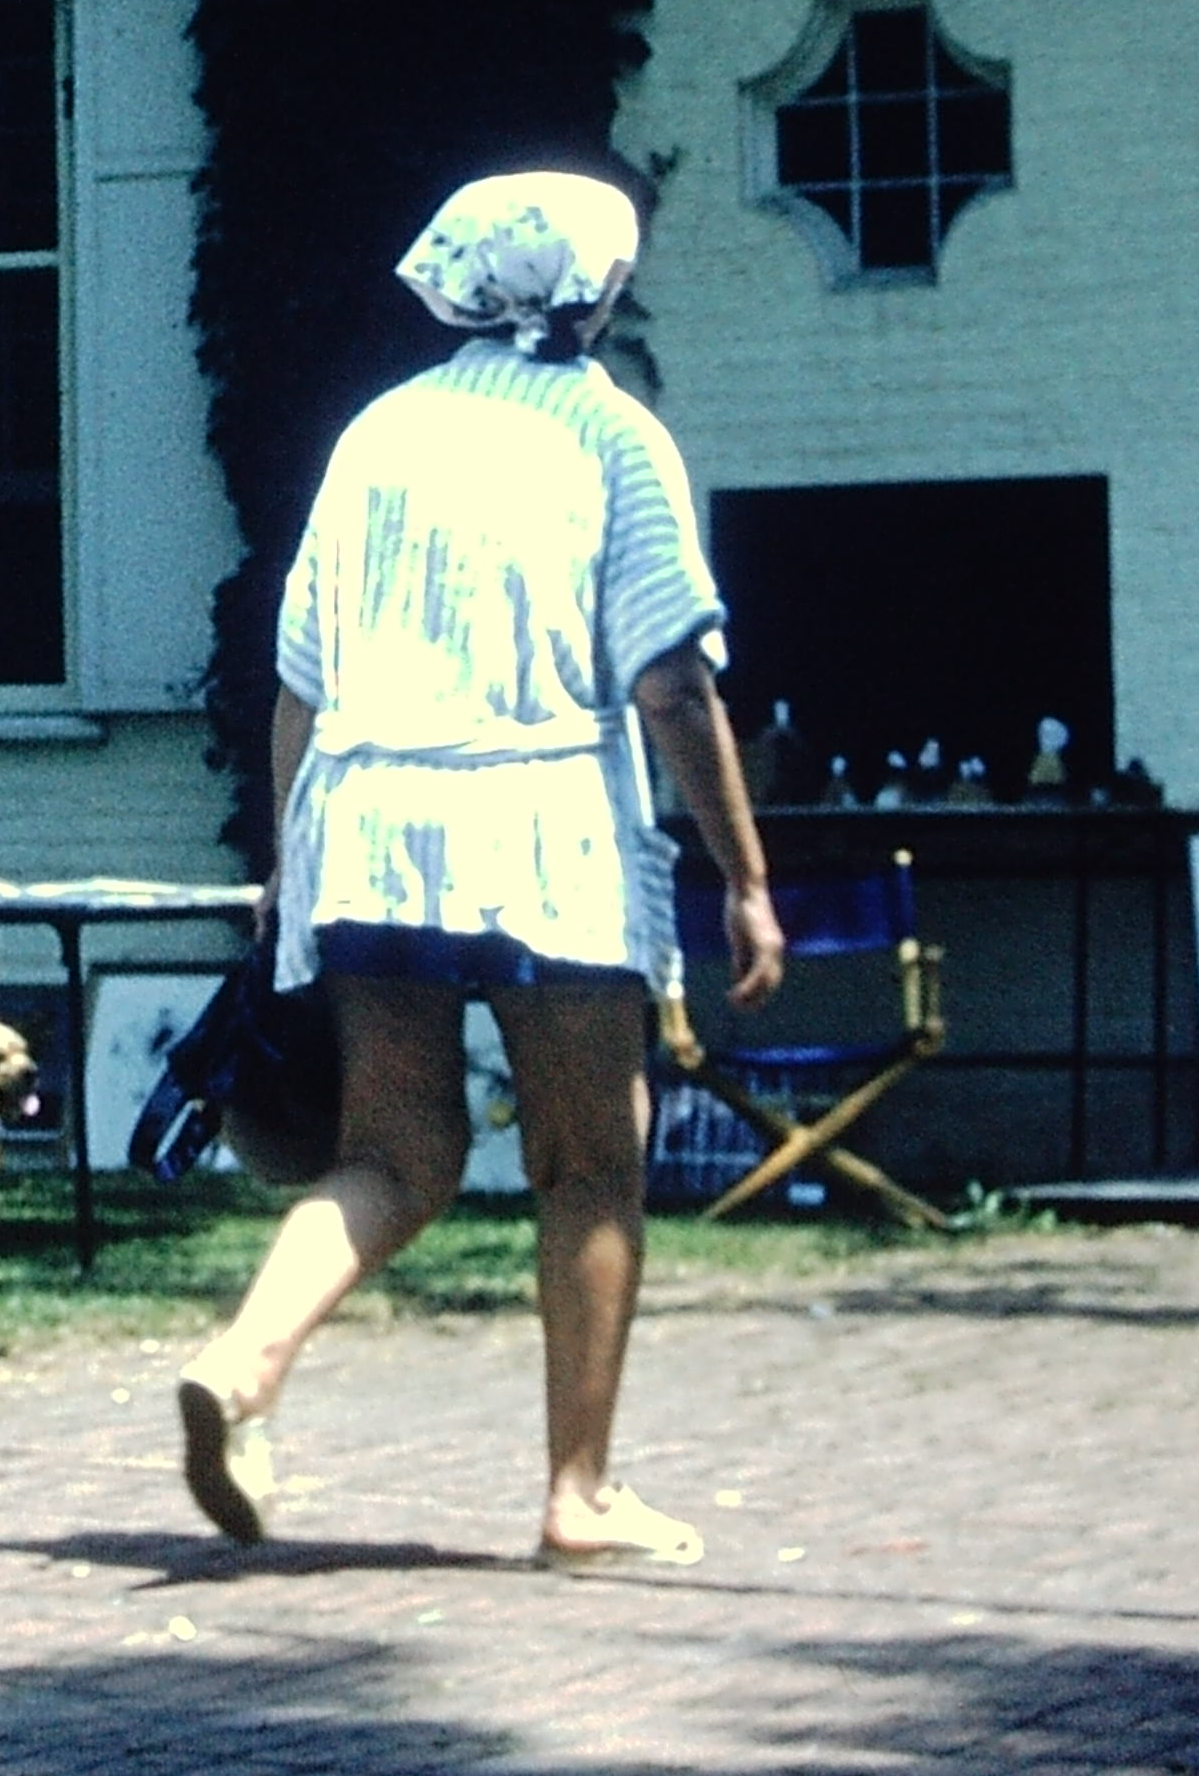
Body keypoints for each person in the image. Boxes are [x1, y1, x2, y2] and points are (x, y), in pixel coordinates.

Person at [173, 171, 786, 1561]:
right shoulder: (614, 438)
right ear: (599, 288)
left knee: (393, 1152)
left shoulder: (379, 434)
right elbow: (675, 686)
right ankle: (581, 1494)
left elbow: (299, 683)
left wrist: (291, 863)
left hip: (370, 826)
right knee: (590, 1164)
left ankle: (248, 1362)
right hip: (544, 832)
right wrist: (746, 876)